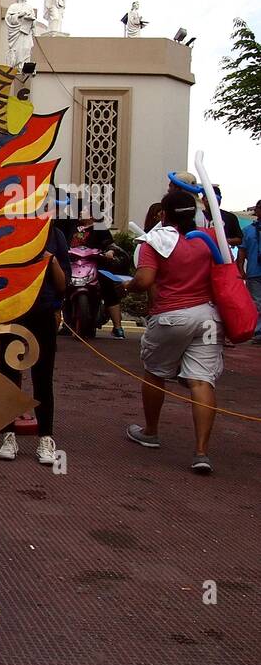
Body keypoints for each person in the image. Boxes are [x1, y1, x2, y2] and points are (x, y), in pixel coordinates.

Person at [125, 188, 222, 474]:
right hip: (207, 317)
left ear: (163, 214)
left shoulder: (154, 241)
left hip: (171, 317)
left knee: (155, 372)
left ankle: (151, 431)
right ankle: (201, 451)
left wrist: (127, 286)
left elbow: (144, 280)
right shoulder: (210, 240)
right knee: (202, 382)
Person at [0, 221, 70, 464]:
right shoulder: (7, 231)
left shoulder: (54, 234)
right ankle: (8, 435)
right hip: (10, 313)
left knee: (43, 377)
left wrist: (51, 260)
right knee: (8, 377)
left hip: (43, 312)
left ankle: (46, 438)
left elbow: (63, 284)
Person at [243, 200, 261, 343]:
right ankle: (257, 331)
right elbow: (242, 251)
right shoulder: (248, 230)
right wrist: (239, 267)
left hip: (254, 271)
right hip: (254, 271)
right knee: (256, 302)